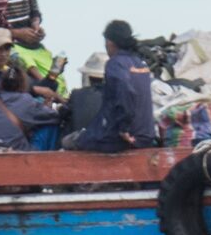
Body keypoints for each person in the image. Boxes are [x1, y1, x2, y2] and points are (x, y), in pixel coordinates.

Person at [61, 21, 160, 152]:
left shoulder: (115, 63)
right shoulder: (141, 64)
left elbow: (125, 91)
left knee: (67, 141)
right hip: (145, 137)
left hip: (117, 139)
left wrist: (124, 129)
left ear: (109, 42)